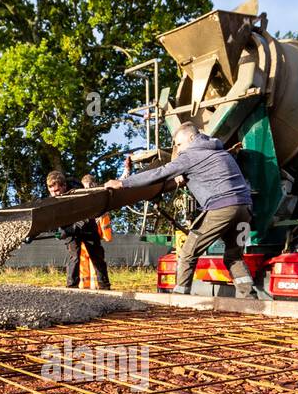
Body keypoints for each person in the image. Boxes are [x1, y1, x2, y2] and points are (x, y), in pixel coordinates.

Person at [105, 122, 254, 298]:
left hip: (221, 208)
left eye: (179, 144)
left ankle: (179, 298)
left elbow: (158, 173)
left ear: (192, 138)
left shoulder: (190, 155)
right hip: (245, 209)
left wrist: (123, 183)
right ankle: (249, 298)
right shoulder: (219, 151)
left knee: (188, 253)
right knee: (234, 256)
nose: (178, 149)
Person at [46, 170, 110, 290]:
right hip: (68, 227)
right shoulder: (53, 197)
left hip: (87, 226)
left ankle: (104, 286)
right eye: (52, 192)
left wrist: (68, 230)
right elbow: (54, 217)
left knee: (97, 256)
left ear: (64, 186)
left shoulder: (79, 192)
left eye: (57, 191)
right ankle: (72, 287)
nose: (55, 194)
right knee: (74, 257)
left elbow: (86, 216)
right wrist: (58, 230)